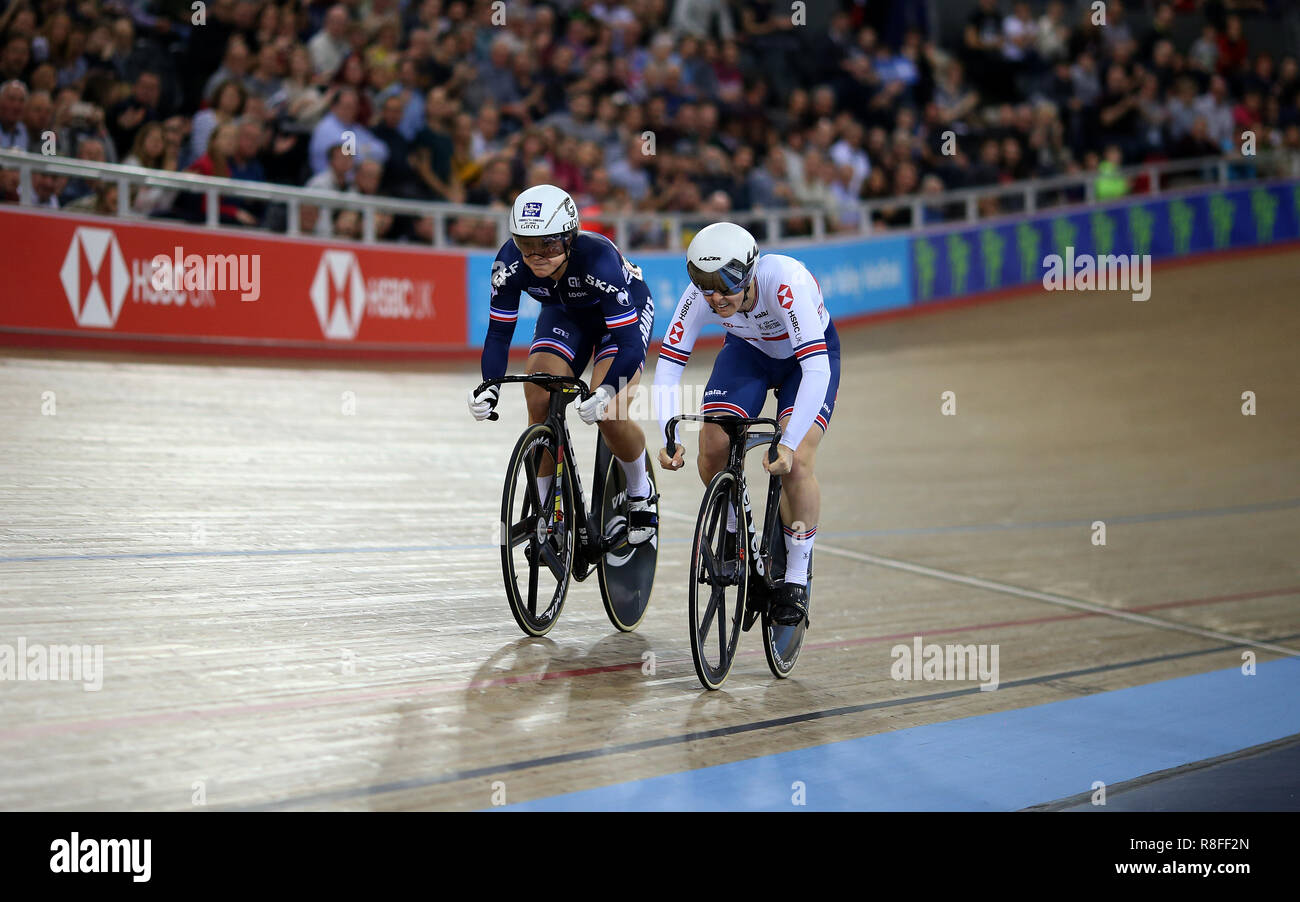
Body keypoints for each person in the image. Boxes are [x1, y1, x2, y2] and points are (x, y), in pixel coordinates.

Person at [654, 222, 839, 627]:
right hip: (748, 353)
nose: (715, 298)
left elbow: (816, 371)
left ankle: (795, 578)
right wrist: (669, 432)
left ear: (750, 272)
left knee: (799, 462)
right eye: (705, 286)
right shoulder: (702, 294)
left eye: (725, 286)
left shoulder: (784, 281)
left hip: (804, 366)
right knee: (713, 446)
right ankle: (736, 525)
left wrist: (789, 442)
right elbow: (668, 366)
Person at [468, 184, 658, 544]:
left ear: (570, 238)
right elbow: (497, 336)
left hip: (619, 320)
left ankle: (639, 490)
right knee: (538, 396)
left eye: (549, 245)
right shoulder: (509, 264)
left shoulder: (598, 257)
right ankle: (548, 515)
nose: (537, 255)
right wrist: (489, 385)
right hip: (566, 315)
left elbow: (629, 344)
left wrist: (604, 392)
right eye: (527, 245)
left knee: (611, 413)